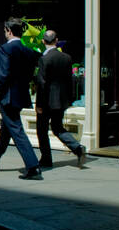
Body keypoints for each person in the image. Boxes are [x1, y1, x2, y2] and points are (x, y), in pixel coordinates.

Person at [0, 18, 43, 180]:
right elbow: (30, 72)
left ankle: (32, 166)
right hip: (20, 94)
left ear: (9, 31)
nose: (5, 34)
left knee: (16, 129)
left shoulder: (5, 49)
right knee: (7, 128)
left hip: (7, 96)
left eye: (5, 31)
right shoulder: (28, 50)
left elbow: (3, 75)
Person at [35, 29, 86, 169]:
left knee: (41, 130)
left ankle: (46, 158)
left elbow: (42, 83)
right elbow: (70, 81)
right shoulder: (67, 58)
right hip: (61, 101)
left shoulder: (44, 59)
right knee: (57, 127)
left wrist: (39, 104)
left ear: (43, 41)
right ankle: (77, 148)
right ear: (56, 41)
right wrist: (68, 100)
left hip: (46, 102)